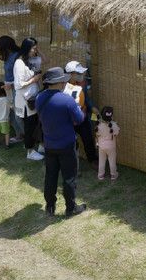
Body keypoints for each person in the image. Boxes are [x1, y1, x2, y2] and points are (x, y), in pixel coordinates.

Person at [35, 67, 87, 218]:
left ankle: (50, 206)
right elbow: (79, 119)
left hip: (49, 144)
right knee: (69, 177)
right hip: (67, 144)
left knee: (50, 175)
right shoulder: (67, 100)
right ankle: (70, 208)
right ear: (60, 82)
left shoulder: (40, 98)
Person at [13, 37, 45, 161]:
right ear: (27, 48)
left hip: (33, 97)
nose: (35, 51)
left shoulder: (28, 60)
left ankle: (41, 145)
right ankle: (30, 151)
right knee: (30, 127)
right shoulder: (19, 64)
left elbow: (46, 60)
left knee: (37, 123)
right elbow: (18, 85)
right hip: (26, 101)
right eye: (34, 48)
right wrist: (34, 79)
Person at [63, 61, 98, 170]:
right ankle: (74, 166)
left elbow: (86, 98)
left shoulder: (82, 84)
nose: (81, 75)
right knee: (72, 143)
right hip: (68, 119)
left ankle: (93, 160)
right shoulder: (62, 86)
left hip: (82, 116)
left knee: (88, 139)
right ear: (70, 74)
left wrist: (92, 107)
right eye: (78, 73)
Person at [0, 35, 23, 143]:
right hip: (8, 87)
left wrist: (11, 84)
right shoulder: (8, 56)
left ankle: (29, 135)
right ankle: (19, 134)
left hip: (16, 88)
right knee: (10, 111)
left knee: (18, 114)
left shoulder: (17, 56)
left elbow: (20, 75)